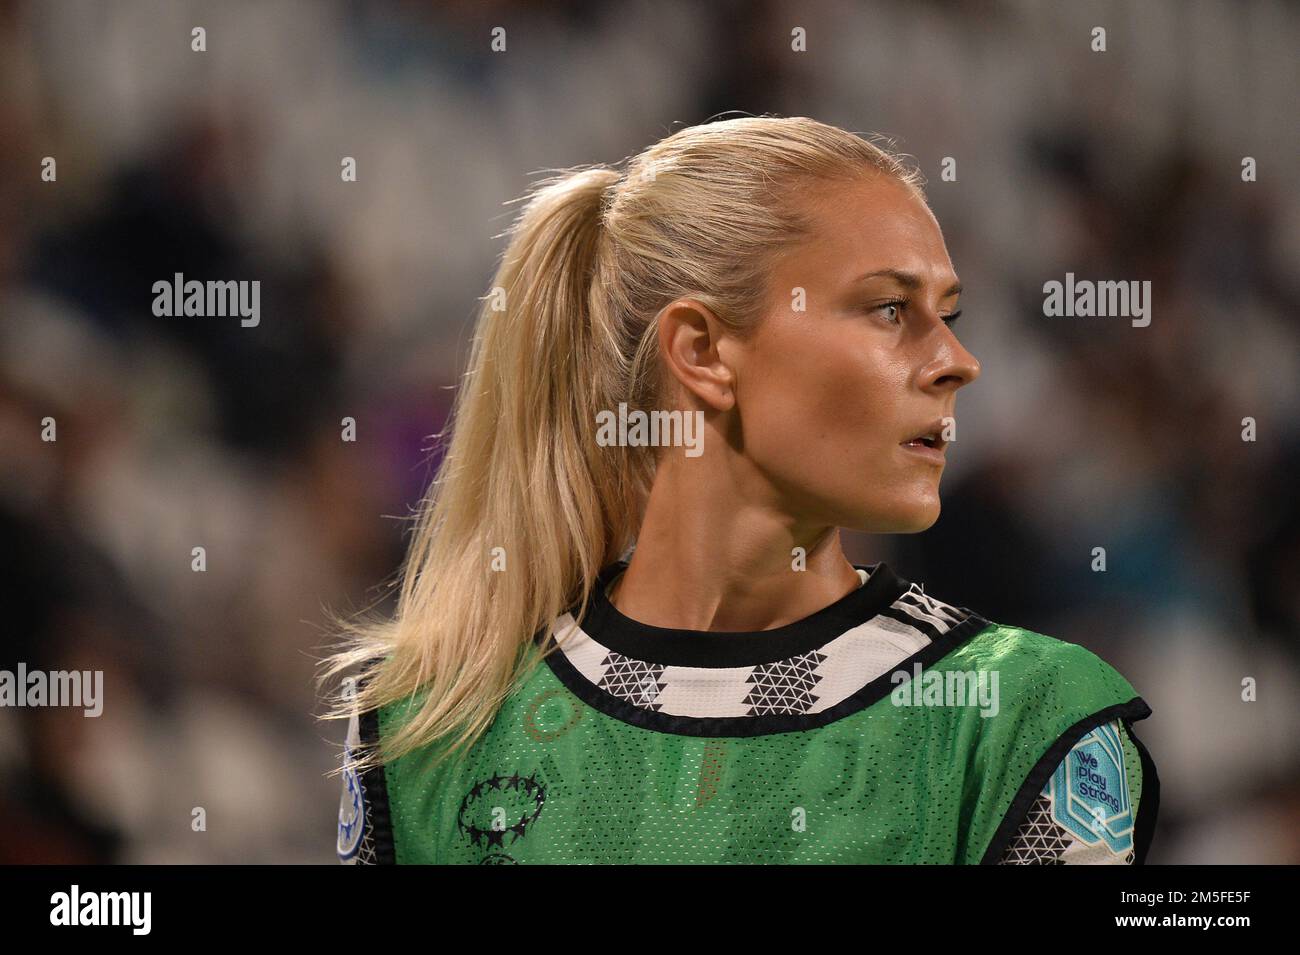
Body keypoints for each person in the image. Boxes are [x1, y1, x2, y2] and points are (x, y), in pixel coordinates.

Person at [323, 116, 1158, 865]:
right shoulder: (423, 726)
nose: (957, 362)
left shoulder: (1024, 725)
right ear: (703, 351)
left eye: (950, 313)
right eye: (889, 308)